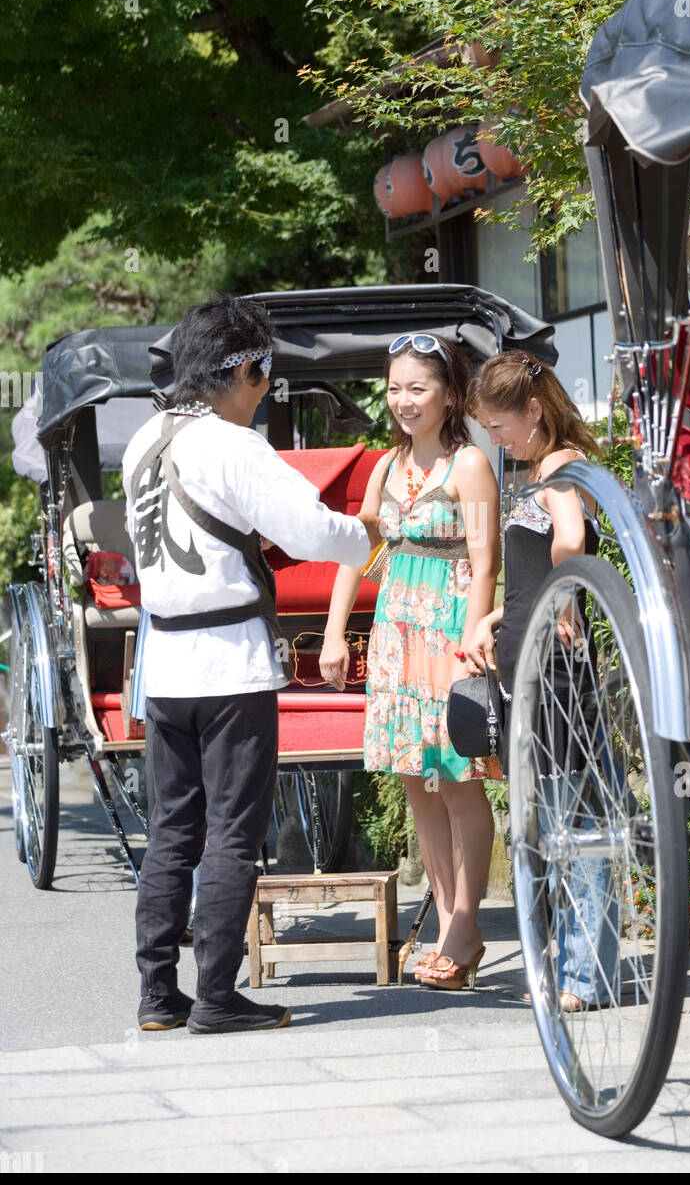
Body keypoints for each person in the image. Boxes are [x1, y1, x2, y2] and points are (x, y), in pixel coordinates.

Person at [122, 295, 373, 1035]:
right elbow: (313, 530)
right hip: (229, 665)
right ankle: (219, 998)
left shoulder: (146, 440)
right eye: (263, 371)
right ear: (238, 369)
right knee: (234, 832)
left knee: (172, 830)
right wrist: (369, 533)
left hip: (165, 664)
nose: (265, 387)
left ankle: (158, 995)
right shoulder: (231, 446)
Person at [320, 332, 500, 991]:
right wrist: (337, 631)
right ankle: (454, 923)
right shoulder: (386, 466)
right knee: (418, 782)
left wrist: (469, 647)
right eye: (395, 388)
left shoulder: (470, 466)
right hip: (396, 631)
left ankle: (463, 927)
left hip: (448, 627)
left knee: (457, 778)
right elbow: (358, 549)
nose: (404, 400)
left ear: (450, 395)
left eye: (417, 387)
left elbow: (485, 562)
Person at [465, 352, 618, 1012]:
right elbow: (535, 565)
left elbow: (571, 538)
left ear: (533, 411)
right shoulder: (552, 465)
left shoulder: (557, 468)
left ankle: (580, 977)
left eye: (499, 426)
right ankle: (577, 970)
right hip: (528, 649)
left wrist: (563, 599)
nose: (493, 439)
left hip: (550, 664)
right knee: (570, 812)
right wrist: (498, 615)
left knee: (570, 818)